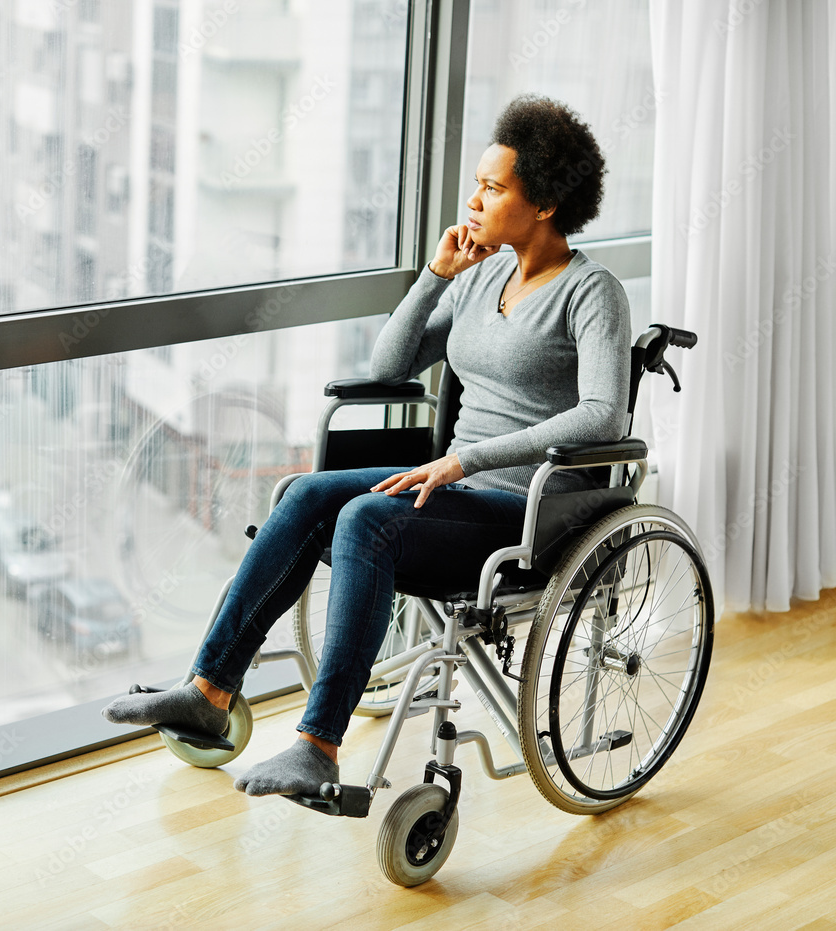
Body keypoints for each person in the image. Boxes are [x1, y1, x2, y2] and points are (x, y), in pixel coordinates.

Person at [101, 94, 632, 798]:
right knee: (301, 493)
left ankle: (318, 744)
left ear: (544, 202)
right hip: (454, 488)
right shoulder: (482, 278)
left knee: (363, 518)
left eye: (492, 187)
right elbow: (387, 369)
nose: (473, 198)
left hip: (528, 510)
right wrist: (437, 275)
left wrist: (467, 458)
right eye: (477, 182)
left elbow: (602, 413)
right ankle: (209, 688)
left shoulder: (592, 292)